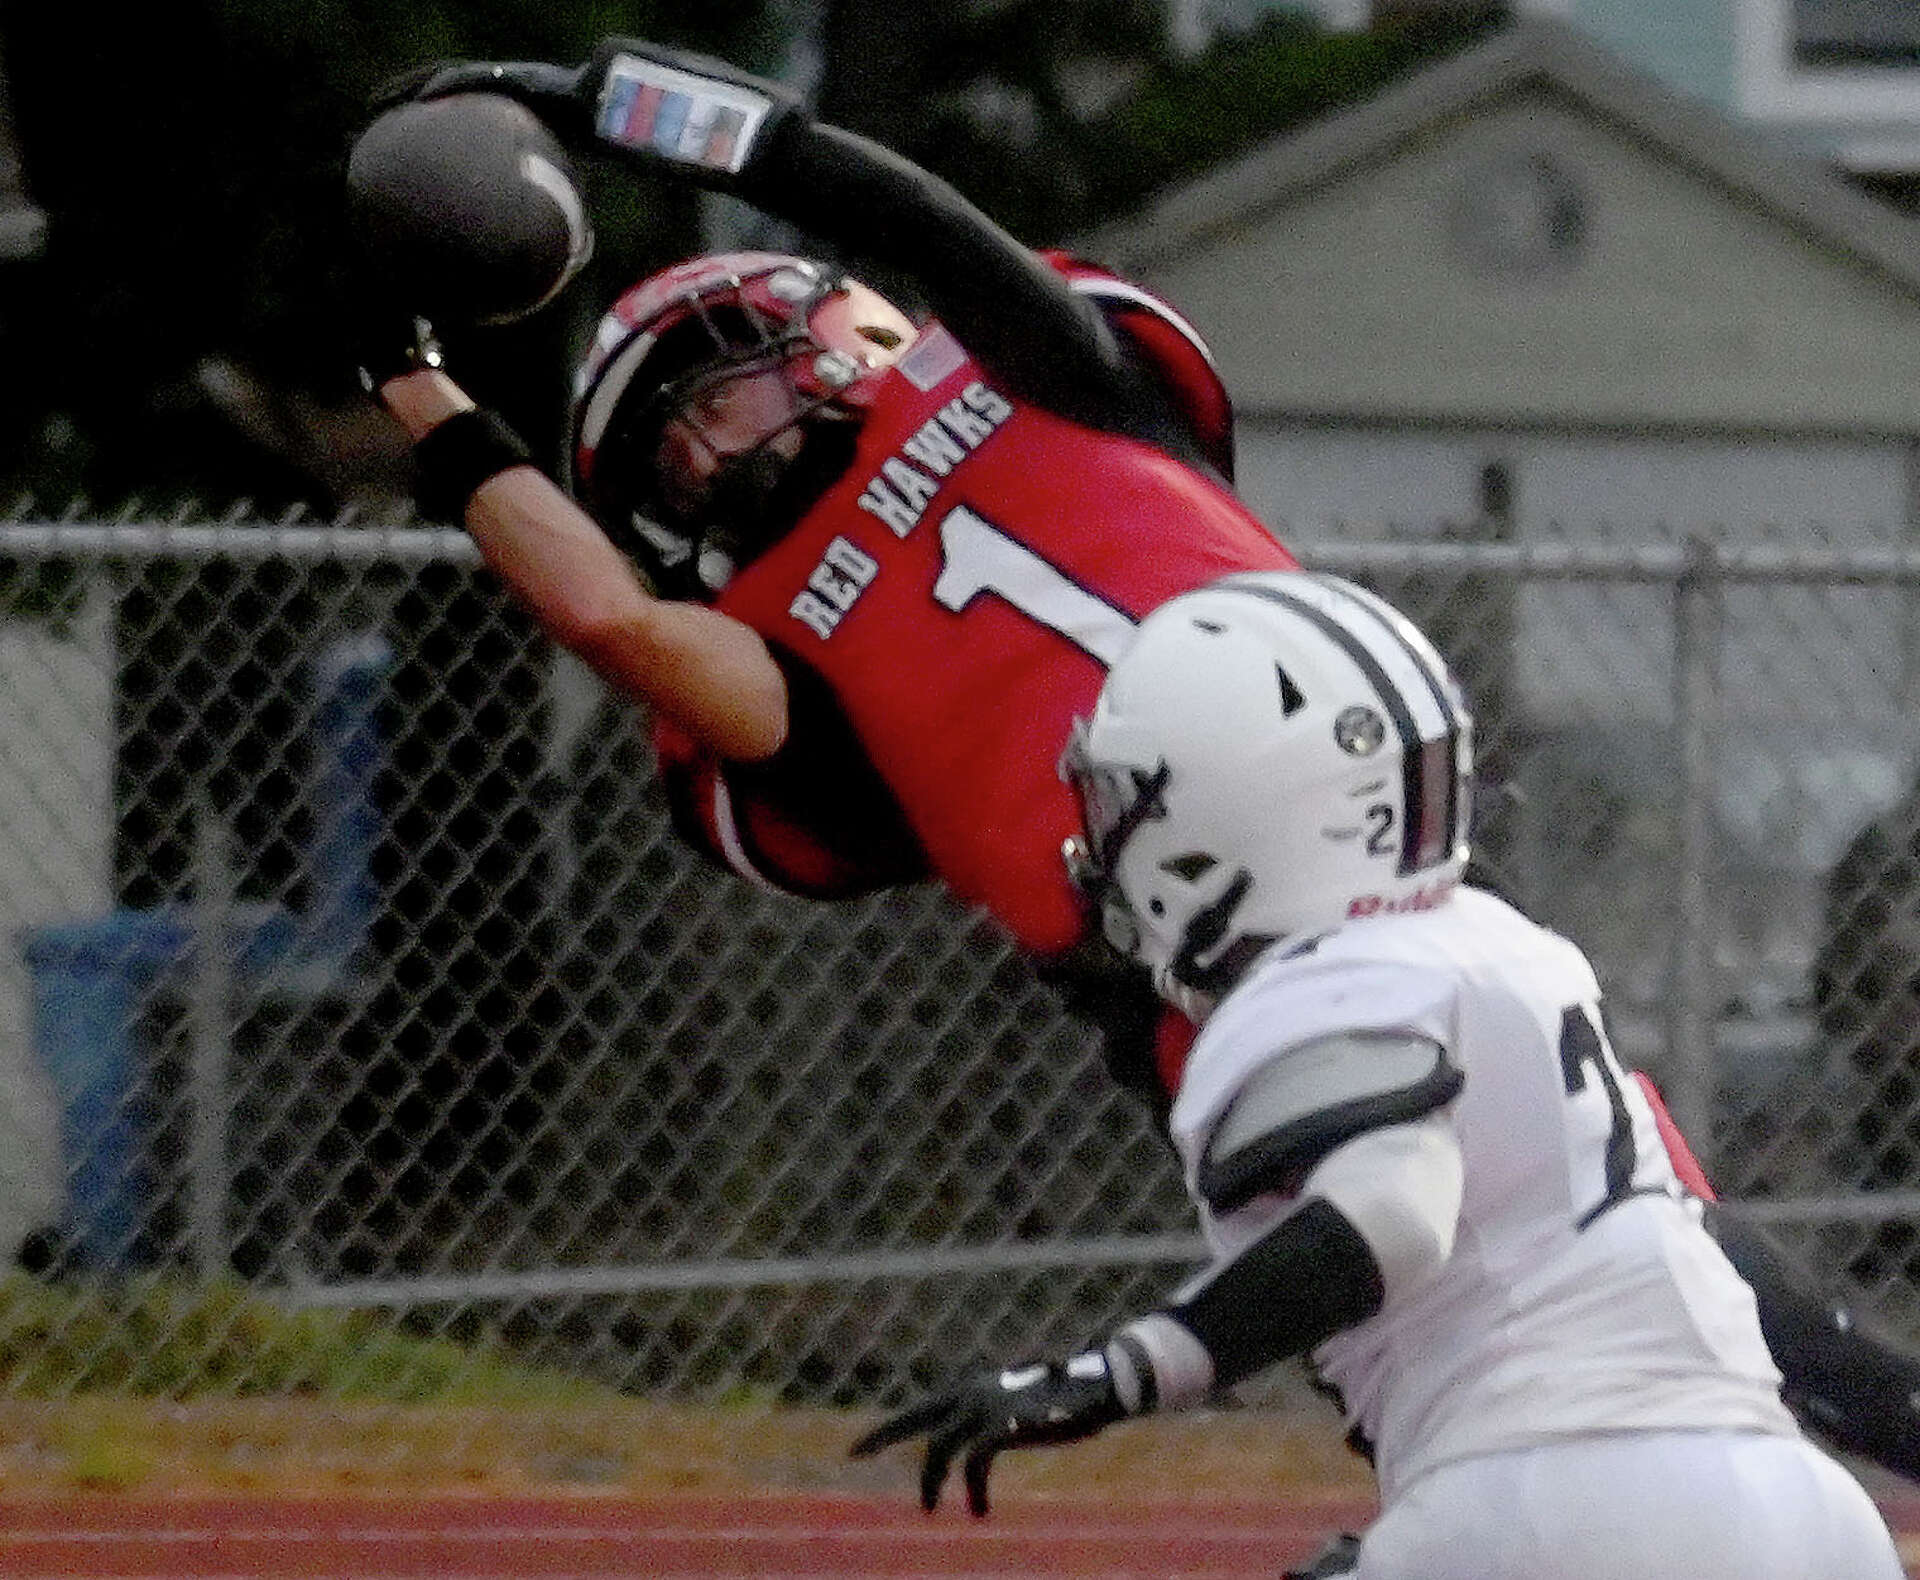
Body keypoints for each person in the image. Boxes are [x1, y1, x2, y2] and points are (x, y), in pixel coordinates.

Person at [350, 37, 1920, 1489]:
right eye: (672, 452)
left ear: (822, 327)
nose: (713, 451)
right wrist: (418, 391)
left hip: (1363, 828)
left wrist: (606, 96)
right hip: (1183, 956)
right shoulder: (776, 644)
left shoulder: (1026, 367)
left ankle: (1836, 1443)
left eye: (722, 394)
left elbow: (879, 192)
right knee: (1427, 1325)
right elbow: (613, 618)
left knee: (1632, 1232)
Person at [849, 569, 1904, 1580]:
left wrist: (1117, 1371)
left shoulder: (1313, 984)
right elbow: (1722, 1260)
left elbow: (1394, 1213)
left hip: (1547, 1496)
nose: (1107, 838)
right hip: (1801, 1505)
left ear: (1229, 809)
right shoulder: (1508, 948)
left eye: (1130, 800)